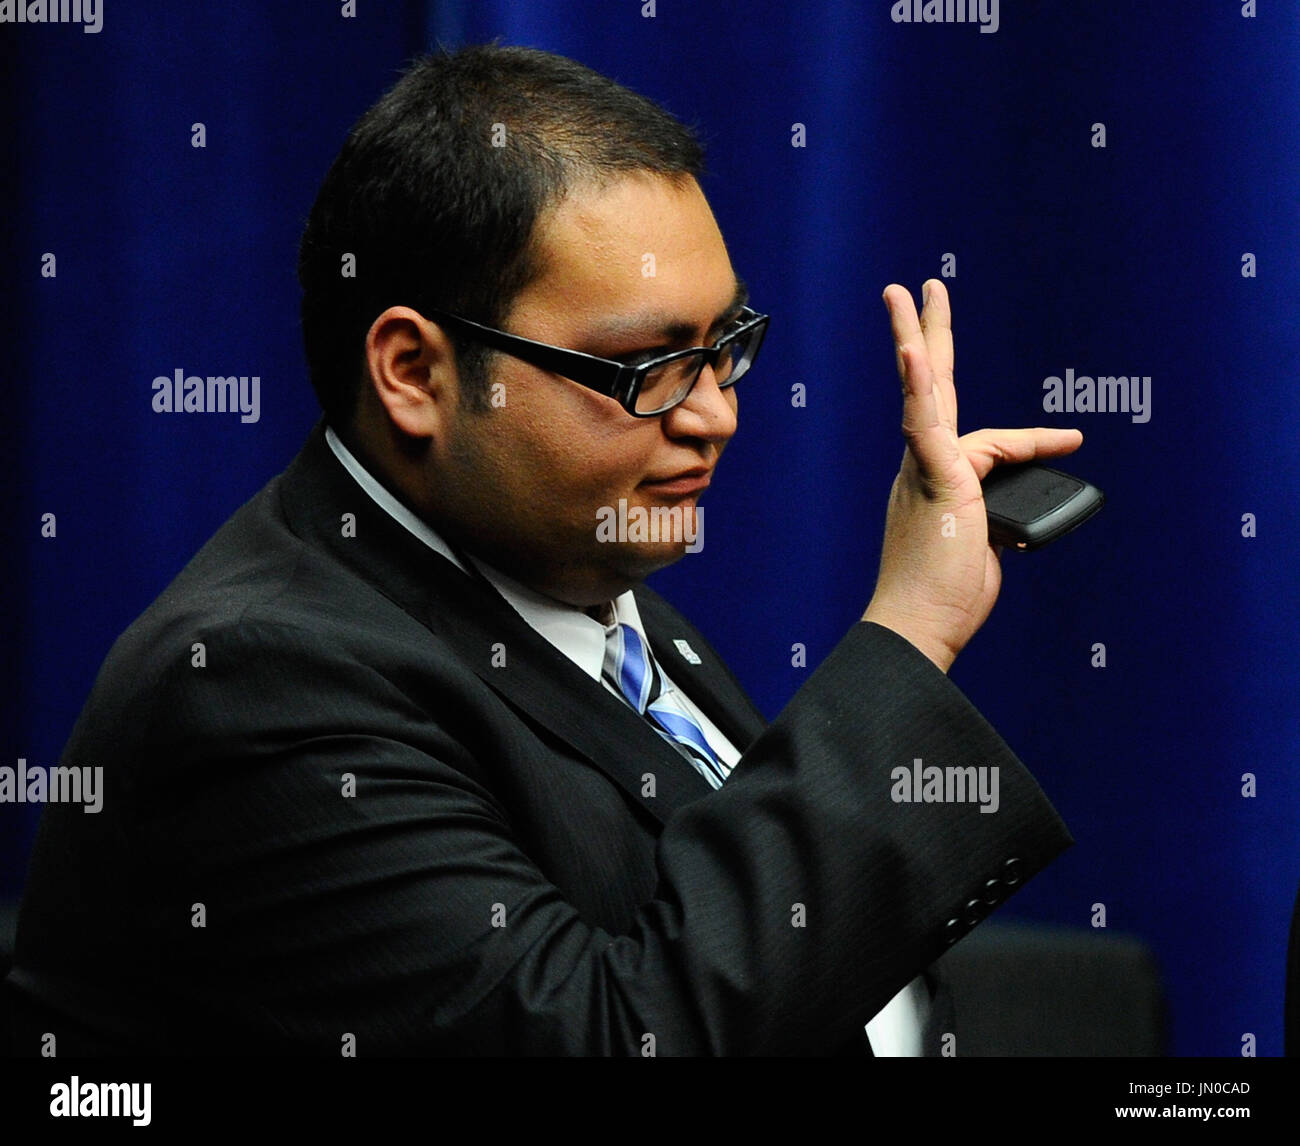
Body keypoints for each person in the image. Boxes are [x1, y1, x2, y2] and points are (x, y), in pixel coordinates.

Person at [3, 44, 1081, 1056]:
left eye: (724, 346)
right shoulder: (256, 684)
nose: (716, 415)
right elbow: (615, 1033)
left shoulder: (581, 585)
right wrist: (910, 632)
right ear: (414, 374)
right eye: (643, 366)